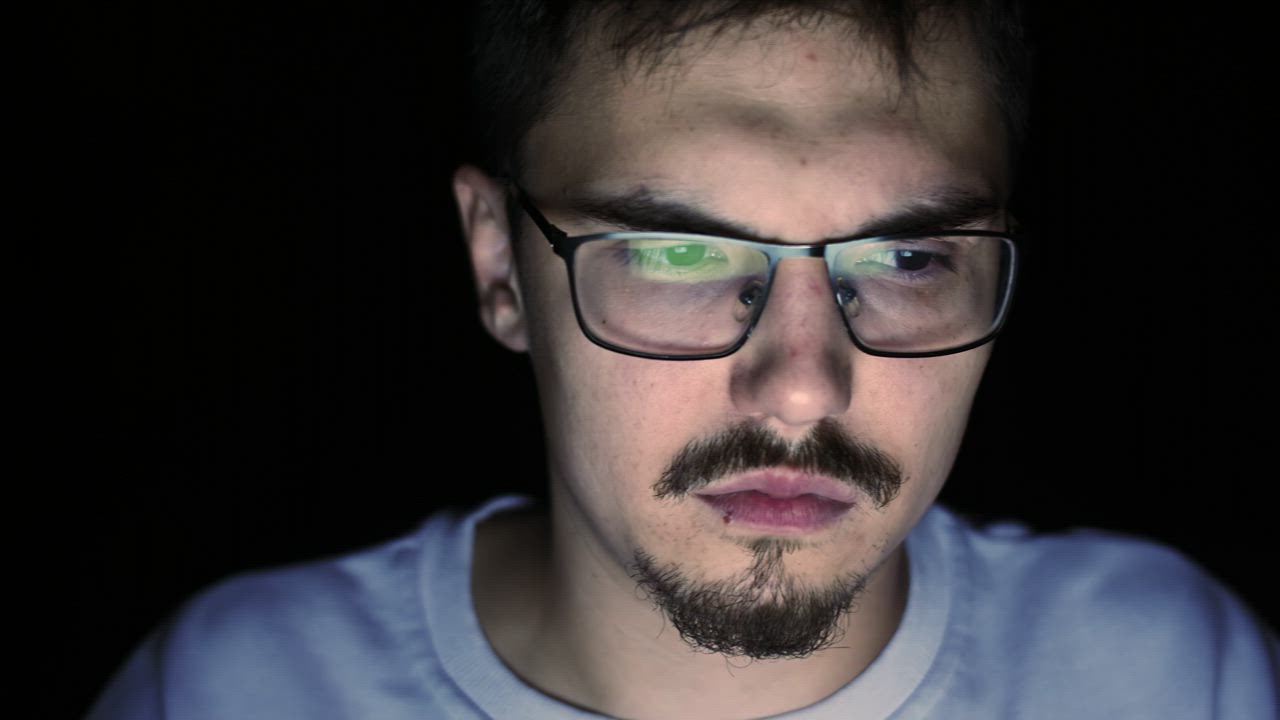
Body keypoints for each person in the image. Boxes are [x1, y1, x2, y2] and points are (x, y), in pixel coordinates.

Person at [89, 1, 1279, 718]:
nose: (803, 385)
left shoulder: (1179, 674)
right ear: (499, 262)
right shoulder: (233, 691)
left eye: (907, 261)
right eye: (673, 254)